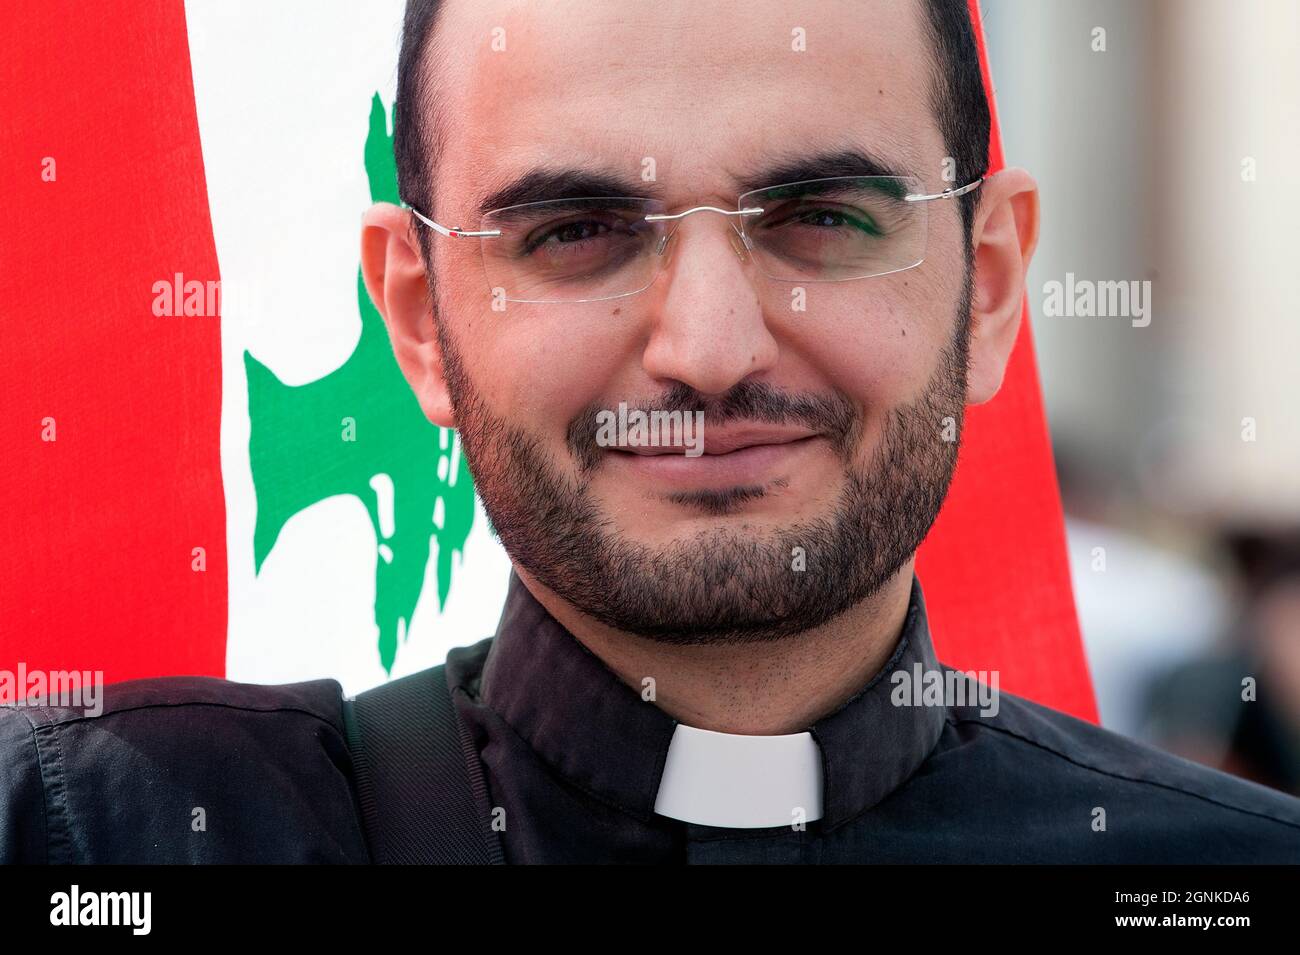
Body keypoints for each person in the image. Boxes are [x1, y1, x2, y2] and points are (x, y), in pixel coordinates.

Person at [3, 0, 1298, 864]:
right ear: (414, 318)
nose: (711, 349)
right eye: (575, 234)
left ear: (995, 284)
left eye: (825, 218)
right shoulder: (112, 831)